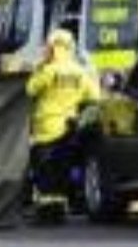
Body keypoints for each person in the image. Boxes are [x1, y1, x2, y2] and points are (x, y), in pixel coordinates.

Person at [25, 29, 100, 222]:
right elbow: (94, 97)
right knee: (61, 171)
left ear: (54, 47)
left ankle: (45, 212)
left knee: (44, 171)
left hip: (47, 128)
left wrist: (39, 67)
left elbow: (30, 89)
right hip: (69, 127)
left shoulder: (49, 70)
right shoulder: (80, 71)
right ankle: (59, 210)